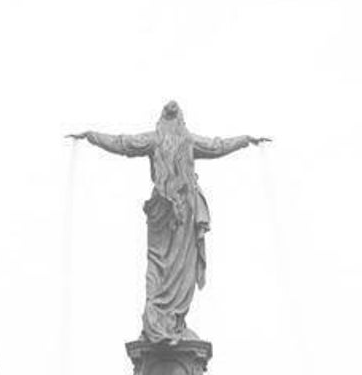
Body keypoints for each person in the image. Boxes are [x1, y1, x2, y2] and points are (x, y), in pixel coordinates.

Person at [69, 102, 268, 343]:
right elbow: (218, 146)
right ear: (181, 121)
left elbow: (123, 143)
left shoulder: (154, 140)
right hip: (178, 212)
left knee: (161, 267)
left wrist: (92, 136)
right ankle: (167, 323)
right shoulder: (189, 141)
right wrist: (245, 139)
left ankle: (166, 323)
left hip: (168, 211)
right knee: (176, 268)